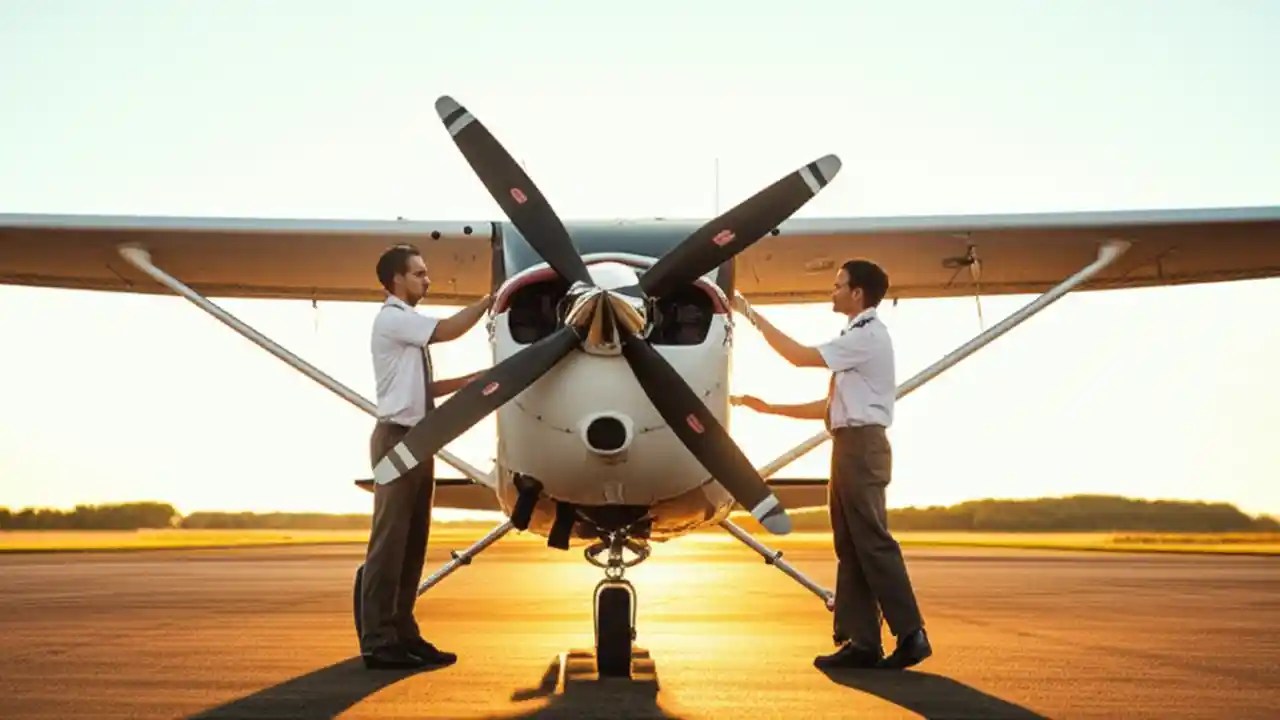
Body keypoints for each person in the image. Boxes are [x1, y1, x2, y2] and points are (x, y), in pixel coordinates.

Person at [730, 259, 931, 670]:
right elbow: (830, 408)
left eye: (838, 285)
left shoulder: (866, 336)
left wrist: (750, 314)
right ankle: (862, 642)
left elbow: (799, 357)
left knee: (871, 540)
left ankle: (911, 634)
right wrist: (769, 409)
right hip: (847, 445)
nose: (832, 291)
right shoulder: (856, 337)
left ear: (857, 293)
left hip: (861, 448)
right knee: (850, 544)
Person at [360, 243, 492, 670]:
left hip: (419, 438)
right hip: (398, 440)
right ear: (396, 280)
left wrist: (469, 381)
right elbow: (448, 329)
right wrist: (489, 301)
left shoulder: (405, 329)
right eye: (419, 273)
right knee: (389, 543)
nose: (427, 280)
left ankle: (403, 632)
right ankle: (379, 641)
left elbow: (422, 388)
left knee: (412, 542)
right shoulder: (394, 319)